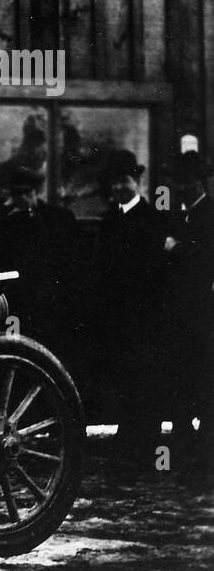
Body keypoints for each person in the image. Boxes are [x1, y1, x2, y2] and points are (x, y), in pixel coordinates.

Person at [90, 150, 167, 460]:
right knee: (122, 377)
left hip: (143, 314)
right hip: (116, 313)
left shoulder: (152, 218)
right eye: (115, 182)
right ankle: (128, 438)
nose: (120, 187)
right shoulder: (110, 219)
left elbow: (154, 271)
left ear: (137, 181)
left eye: (125, 181)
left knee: (144, 379)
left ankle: (145, 443)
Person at [0, 166, 78, 354]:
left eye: (27, 193)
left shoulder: (57, 217)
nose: (22, 198)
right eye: (17, 194)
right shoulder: (5, 220)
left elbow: (64, 256)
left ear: (35, 192)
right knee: (15, 347)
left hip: (47, 299)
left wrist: (33, 217)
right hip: (17, 299)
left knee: (49, 348)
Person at [160, 151, 214, 455]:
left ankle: (206, 443)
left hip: (204, 311)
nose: (184, 186)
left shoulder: (210, 212)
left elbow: (206, 258)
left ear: (200, 181)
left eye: (189, 181)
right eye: (180, 181)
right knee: (180, 375)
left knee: (204, 375)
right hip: (179, 311)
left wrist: (178, 247)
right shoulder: (176, 215)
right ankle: (183, 440)